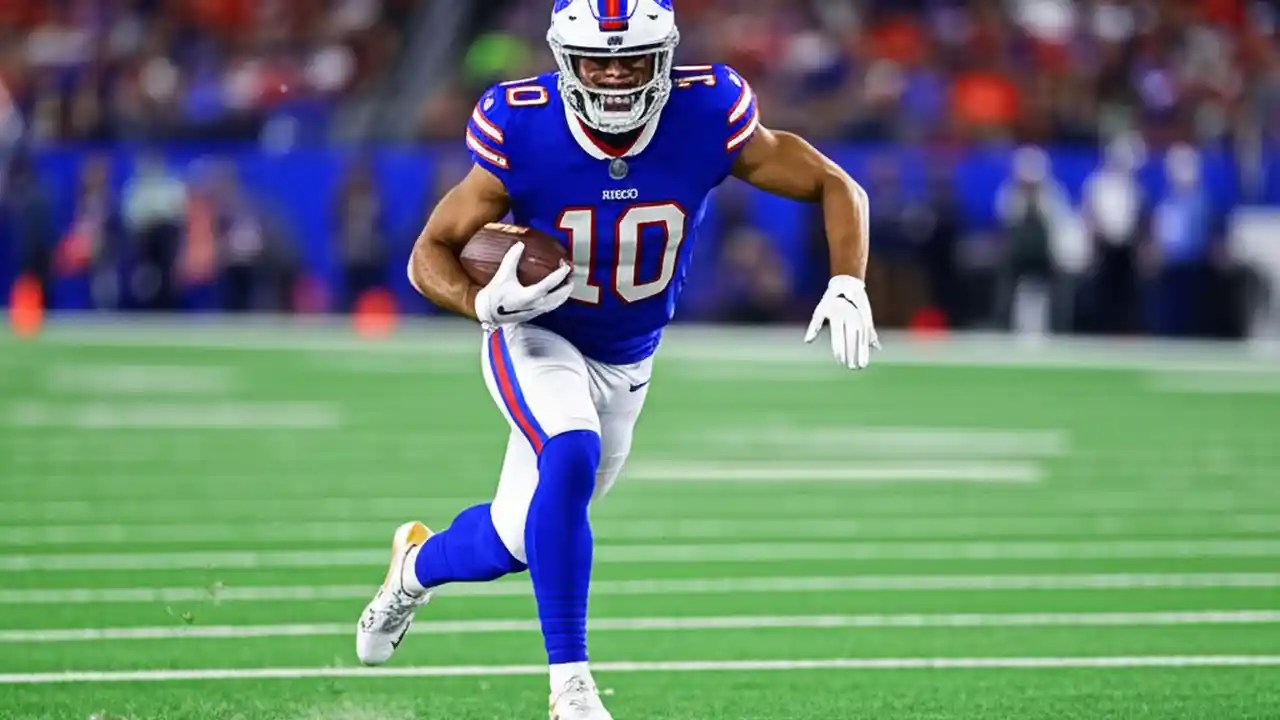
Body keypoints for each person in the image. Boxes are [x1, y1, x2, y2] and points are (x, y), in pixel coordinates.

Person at [355, 2, 878, 718]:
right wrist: (484, 306)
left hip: (631, 357)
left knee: (516, 538)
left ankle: (412, 570)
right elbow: (428, 253)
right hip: (537, 334)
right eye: (597, 58)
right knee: (569, 452)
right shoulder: (524, 125)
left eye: (630, 57)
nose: (612, 75)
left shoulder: (708, 111)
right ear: (563, 61)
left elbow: (835, 183)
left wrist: (847, 279)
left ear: (664, 57)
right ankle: (570, 687)